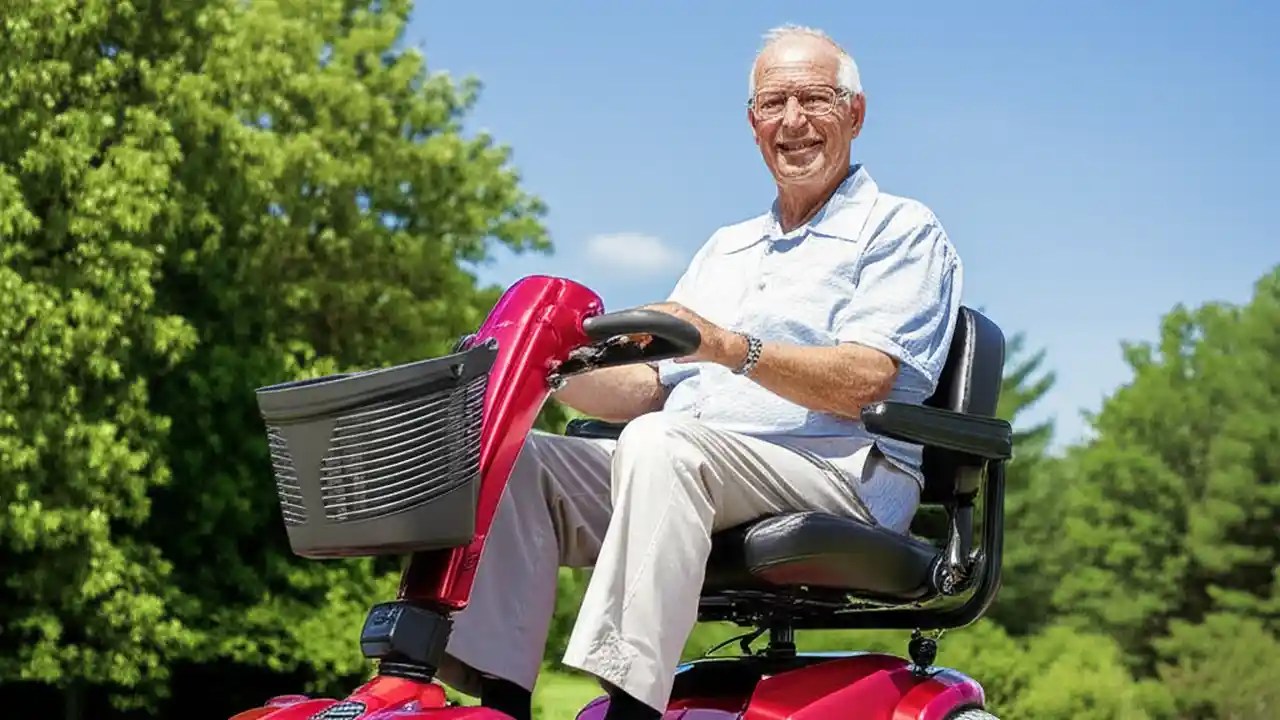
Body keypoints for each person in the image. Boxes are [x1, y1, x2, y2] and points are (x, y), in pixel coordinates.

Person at [436, 24, 964, 720]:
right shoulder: (727, 248)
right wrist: (547, 369)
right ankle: (500, 702)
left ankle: (628, 706)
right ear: (752, 124)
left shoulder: (900, 229)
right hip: (691, 466)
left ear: (855, 114)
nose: (793, 121)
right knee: (519, 458)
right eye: (774, 103)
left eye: (815, 99)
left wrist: (730, 347)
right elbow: (650, 387)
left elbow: (865, 379)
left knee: (662, 445)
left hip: (835, 472)